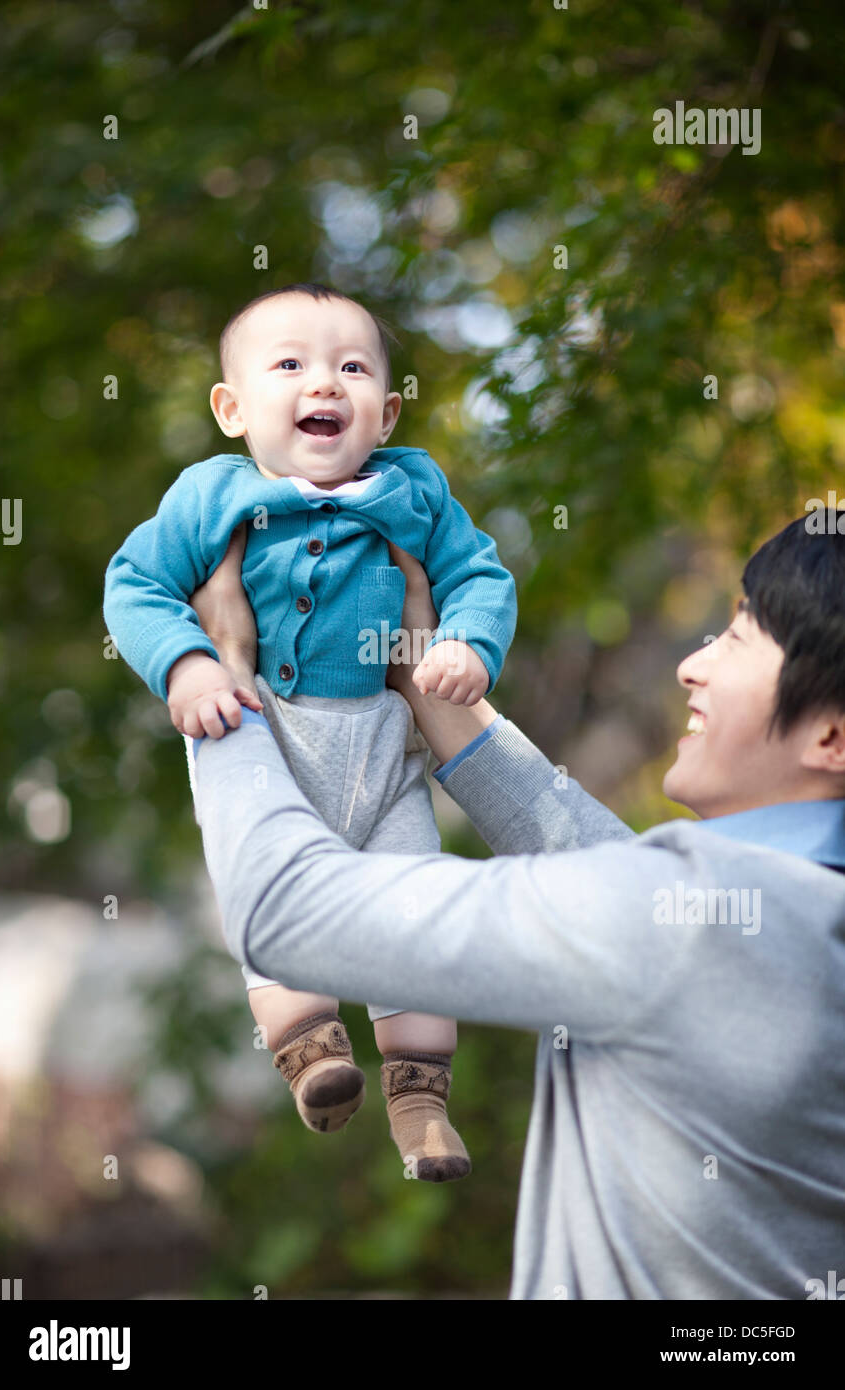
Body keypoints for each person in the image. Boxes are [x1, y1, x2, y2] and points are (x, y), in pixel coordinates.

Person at [186, 508, 845, 1300]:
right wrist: (415, 676)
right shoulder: (788, 912)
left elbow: (285, 910)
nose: (691, 667)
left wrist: (224, 678)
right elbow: (598, 865)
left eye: (739, 637)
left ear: (832, 739)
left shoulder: (694, 919)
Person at [103, 282, 517, 1181]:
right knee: (266, 885)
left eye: (352, 367)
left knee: (414, 908)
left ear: (388, 409)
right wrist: (190, 663)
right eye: (289, 364)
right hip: (268, 736)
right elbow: (132, 586)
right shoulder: (211, 495)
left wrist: (467, 644)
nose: (323, 383)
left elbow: (481, 576)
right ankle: (311, 1053)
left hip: (382, 753)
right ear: (232, 407)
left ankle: (420, 1105)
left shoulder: (416, 489)